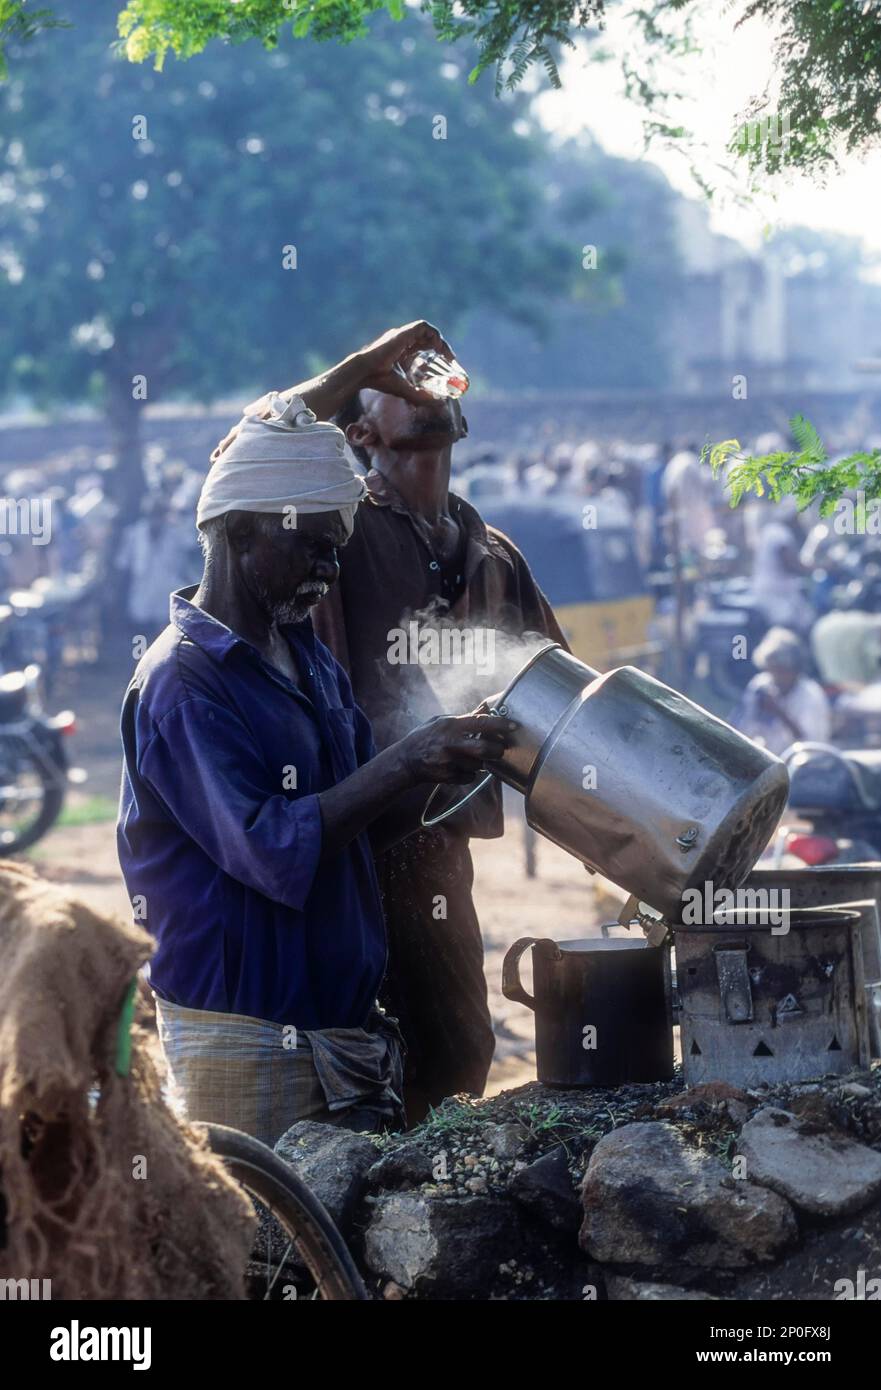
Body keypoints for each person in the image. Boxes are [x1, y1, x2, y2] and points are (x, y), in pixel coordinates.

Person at [117, 322, 516, 1145]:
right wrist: (407, 758)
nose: (328, 572)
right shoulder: (185, 683)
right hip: (247, 1038)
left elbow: (353, 823)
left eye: (336, 551)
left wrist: (446, 762)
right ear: (236, 533)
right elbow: (273, 849)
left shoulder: (302, 657)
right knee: (261, 1261)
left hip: (342, 1035)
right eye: (311, 548)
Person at [314, 370, 566, 1120]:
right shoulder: (337, 533)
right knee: (370, 1046)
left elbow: (556, 691)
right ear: (360, 434)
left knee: (457, 1046)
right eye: (393, 385)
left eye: (426, 381)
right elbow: (262, 429)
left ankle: (409, 1207)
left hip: (435, 841)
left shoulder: (489, 548)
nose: (420, 387)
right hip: (352, 834)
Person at [734, 626, 831, 756]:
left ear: (794, 669)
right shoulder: (761, 684)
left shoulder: (811, 694)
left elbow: (812, 744)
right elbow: (743, 729)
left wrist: (780, 713)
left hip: (798, 764)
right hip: (763, 760)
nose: (775, 676)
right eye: (771, 669)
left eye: (781, 670)